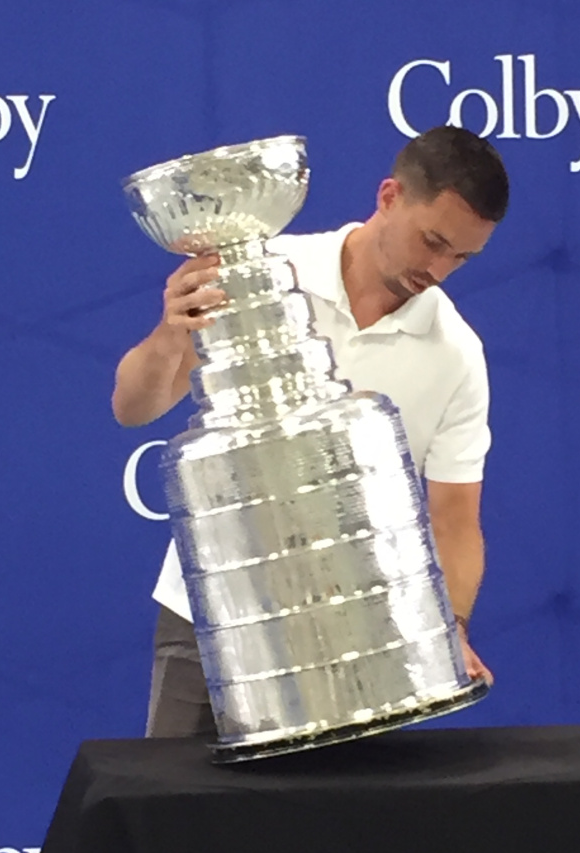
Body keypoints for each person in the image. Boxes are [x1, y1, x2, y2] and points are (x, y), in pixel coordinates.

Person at [112, 125, 509, 738]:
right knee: (173, 824)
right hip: (213, 616)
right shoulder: (262, 269)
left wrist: (450, 627)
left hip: (357, 640)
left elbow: (454, 518)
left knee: (322, 834)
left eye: (461, 257)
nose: (439, 269)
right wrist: (172, 332)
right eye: (432, 242)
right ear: (389, 197)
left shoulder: (457, 354)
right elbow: (133, 408)